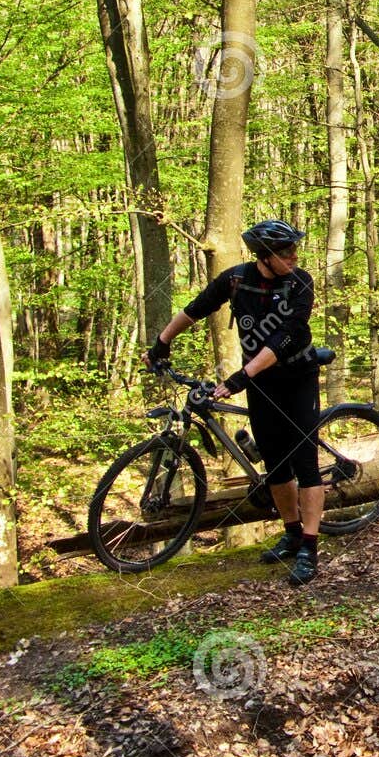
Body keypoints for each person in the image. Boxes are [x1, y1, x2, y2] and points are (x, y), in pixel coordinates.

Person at [146, 220, 324, 585]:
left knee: (305, 464)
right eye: (286, 251)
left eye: (294, 249)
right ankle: (291, 532)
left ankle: (309, 546)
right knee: (275, 465)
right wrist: (162, 341)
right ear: (265, 256)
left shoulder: (300, 281)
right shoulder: (236, 280)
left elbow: (285, 337)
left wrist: (243, 375)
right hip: (262, 385)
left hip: (298, 379)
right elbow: (196, 308)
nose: (294, 256)